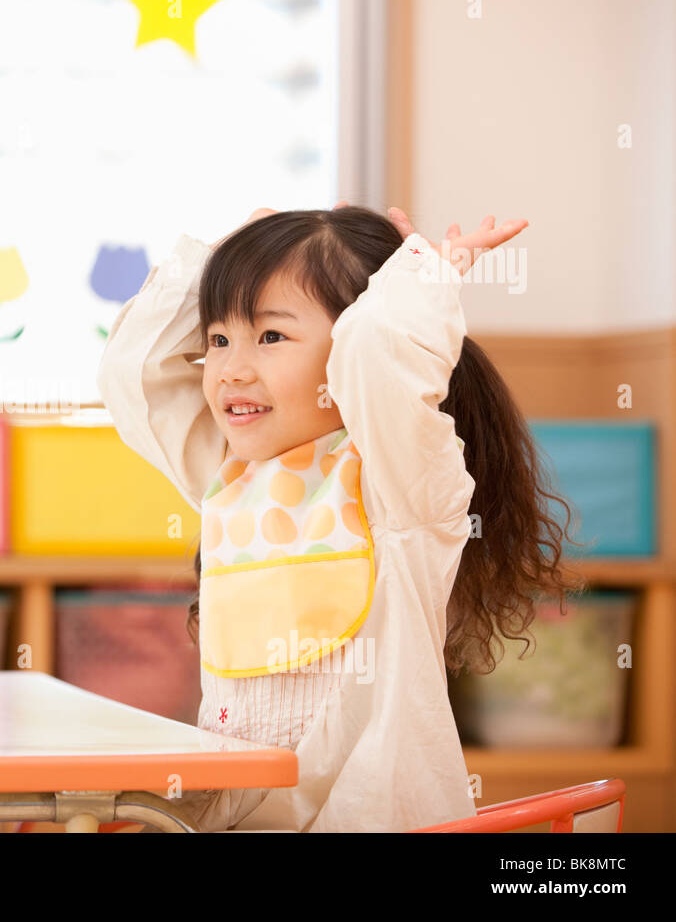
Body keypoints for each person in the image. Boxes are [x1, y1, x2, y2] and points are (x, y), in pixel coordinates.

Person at [96, 205, 584, 831]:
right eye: (218, 339)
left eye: (271, 337)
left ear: (345, 351)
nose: (231, 369)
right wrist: (221, 257)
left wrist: (421, 278)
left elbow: (380, 352)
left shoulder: (399, 489)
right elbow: (131, 373)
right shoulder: (229, 476)